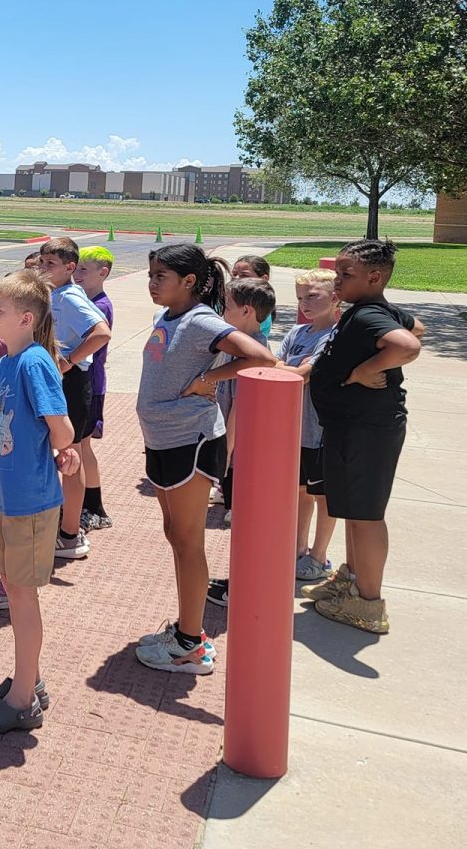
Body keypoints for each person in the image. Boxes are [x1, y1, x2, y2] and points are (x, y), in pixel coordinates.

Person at [134, 244, 273, 674]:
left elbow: (262, 356)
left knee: (189, 541)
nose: (152, 282)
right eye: (151, 274)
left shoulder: (199, 320)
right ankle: (185, 629)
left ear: (189, 281)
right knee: (176, 534)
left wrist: (209, 379)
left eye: (161, 276)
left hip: (189, 440)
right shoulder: (169, 317)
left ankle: (190, 644)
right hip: (163, 439)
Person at [0, 270, 82, 734]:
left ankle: (22, 700)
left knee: (21, 596)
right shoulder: (8, 360)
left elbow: (63, 427)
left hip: (32, 501)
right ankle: (27, 680)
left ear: (26, 319)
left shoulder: (33, 362)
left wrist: (64, 449)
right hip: (13, 500)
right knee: (15, 591)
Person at [306, 239, 423, 634]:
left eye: (346, 275)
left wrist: (361, 371)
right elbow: (416, 325)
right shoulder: (371, 310)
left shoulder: (369, 314)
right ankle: (352, 579)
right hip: (349, 425)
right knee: (354, 511)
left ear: (374, 277)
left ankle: (368, 605)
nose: (337, 281)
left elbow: (408, 344)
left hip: (367, 428)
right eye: (338, 272)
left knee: (367, 515)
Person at [33, 237, 112, 562]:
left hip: (72, 382)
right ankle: (61, 522)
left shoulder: (70, 297)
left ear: (69, 267)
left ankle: (70, 533)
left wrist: (68, 361)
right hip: (59, 380)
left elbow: (101, 332)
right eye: (42, 262)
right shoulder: (54, 294)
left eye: (50, 264)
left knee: (72, 453)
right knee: (62, 453)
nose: (43, 268)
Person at [199, 276, 275, 609]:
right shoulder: (238, 343)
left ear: (245, 311)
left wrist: (226, 450)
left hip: (242, 452)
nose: (221, 311)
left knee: (247, 519)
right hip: (235, 452)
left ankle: (243, 584)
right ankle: (237, 578)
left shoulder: (254, 351)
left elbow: (241, 408)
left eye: (226, 306)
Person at [283, 270, 341, 583]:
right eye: (300, 298)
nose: (305, 303)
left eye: (312, 296)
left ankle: (318, 556)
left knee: (323, 495)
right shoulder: (297, 334)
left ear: (335, 298)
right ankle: (298, 549)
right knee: (300, 491)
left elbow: (303, 374)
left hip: (319, 431)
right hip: (296, 430)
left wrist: (287, 369)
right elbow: (270, 363)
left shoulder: (333, 336)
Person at [75, 246, 116, 531]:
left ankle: (93, 505)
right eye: (76, 269)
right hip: (83, 381)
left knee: (82, 445)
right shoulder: (84, 300)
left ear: (103, 273)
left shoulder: (99, 306)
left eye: (84, 270)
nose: (78, 275)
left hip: (90, 384)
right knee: (78, 444)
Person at [231, 254, 274, 339]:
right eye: (234, 274)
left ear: (264, 279)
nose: (236, 278)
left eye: (244, 275)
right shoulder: (233, 300)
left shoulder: (259, 309)